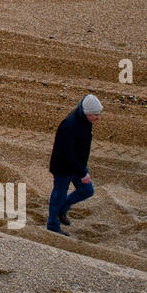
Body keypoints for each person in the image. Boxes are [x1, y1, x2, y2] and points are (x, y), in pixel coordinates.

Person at [47, 93, 102, 234]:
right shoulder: (70, 125)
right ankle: (53, 226)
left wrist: (82, 168)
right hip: (63, 167)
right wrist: (83, 172)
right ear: (86, 113)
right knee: (58, 196)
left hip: (77, 165)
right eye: (95, 115)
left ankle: (62, 209)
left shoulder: (85, 121)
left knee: (87, 190)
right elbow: (67, 153)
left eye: (98, 114)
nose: (98, 118)